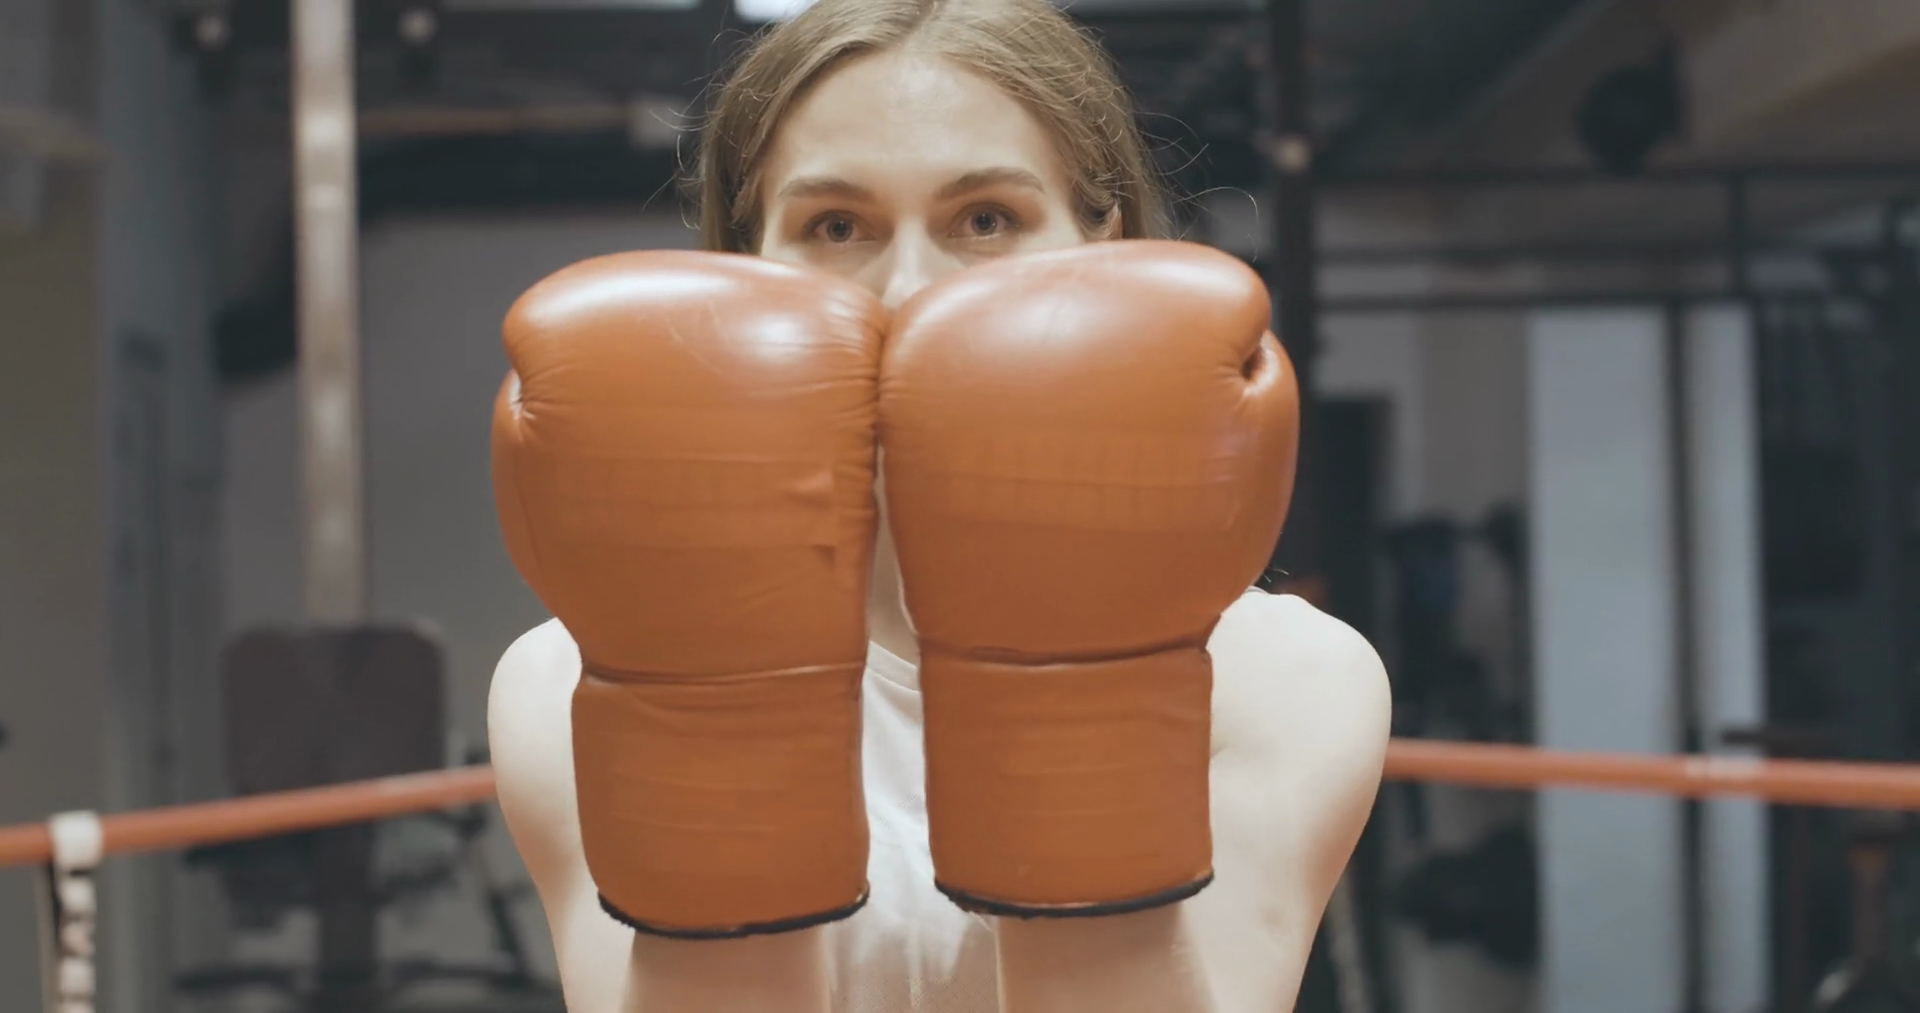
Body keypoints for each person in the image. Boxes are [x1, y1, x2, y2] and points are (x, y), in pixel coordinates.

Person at [486, 1, 1391, 1010]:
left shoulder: (1286, 679)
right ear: (744, 270)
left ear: (1113, 251)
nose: (909, 286)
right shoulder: (565, 686)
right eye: (836, 226)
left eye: (986, 219)